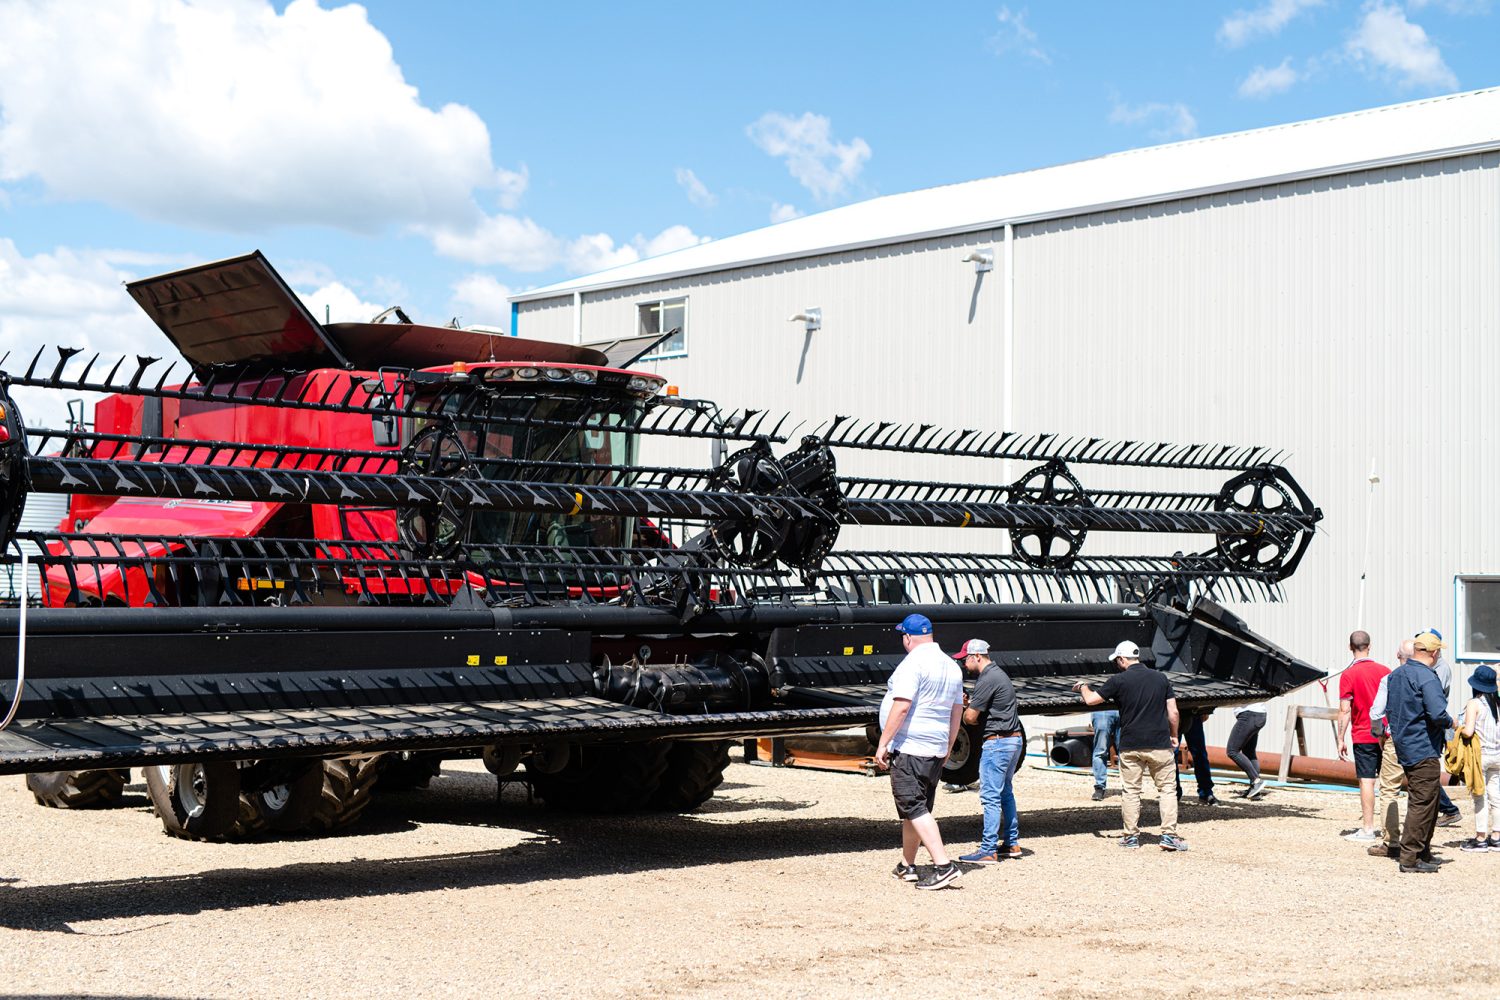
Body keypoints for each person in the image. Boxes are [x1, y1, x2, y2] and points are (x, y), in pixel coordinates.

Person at [875, 613, 965, 890]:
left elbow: (901, 706)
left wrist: (883, 743)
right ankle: (907, 865)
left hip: (911, 746)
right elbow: (956, 710)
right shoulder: (951, 666)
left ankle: (943, 866)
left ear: (907, 637)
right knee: (916, 809)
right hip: (935, 747)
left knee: (913, 806)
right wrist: (949, 745)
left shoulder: (911, 664)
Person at [1074, 640, 1187, 851]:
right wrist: (1173, 736)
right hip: (1159, 744)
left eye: (1117, 660)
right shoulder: (1161, 678)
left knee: (1131, 792)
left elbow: (1090, 700)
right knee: (1167, 790)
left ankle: (1130, 837)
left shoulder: (1118, 680)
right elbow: (1173, 712)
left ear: (1122, 659)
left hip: (1130, 745)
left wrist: (1083, 686)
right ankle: (1169, 836)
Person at [1385, 631, 1454, 873]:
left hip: (1404, 744)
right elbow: (1437, 713)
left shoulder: (1395, 675)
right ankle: (1410, 857)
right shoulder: (1427, 677)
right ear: (1434, 653)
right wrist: (1452, 723)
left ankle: (1422, 850)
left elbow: (1389, 710)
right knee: (1422, 802)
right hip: (1423, 746)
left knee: (1430, 800)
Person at [952, 639, 1025, 864]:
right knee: (1005, 792)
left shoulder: (987, 678)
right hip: (1013, 740)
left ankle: (988, 849)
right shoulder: (998, 675)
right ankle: (1012, 843)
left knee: (990, 796)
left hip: (998, 743)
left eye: (965, 659)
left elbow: (972, 718)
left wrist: (965, 709)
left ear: (977, 656)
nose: (964, 663)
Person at [1335, 630, 1389, 842]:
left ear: (1350, 647)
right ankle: (1389, 828)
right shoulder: (1385, 671)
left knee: (1367, 781)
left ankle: (1368, 828)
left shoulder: (1348, 675)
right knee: (1389, 783)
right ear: (1370, 646)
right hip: (1385, 735)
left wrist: (1340, 738)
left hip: (1363, 734)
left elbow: (1344, 709)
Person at [1366, 639, 1413, 859]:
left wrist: (1380, 737)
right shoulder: (1429, 677)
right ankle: (1417, 841)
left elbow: (1376, 713)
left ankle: (1392, 841)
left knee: (1389, 790)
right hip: (1421, 742)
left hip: (1396, 739)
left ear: (1398, 656)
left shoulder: (1390, 679)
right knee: (1421, 793)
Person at [1455, 665, 1500, 852]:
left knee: (1479, 796)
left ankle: (1480, 837)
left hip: (1479, 756)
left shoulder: (1474, 703)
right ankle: (1497, 836)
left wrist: (1458, 728)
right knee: (1496, 796)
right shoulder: (1498, 704)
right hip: (1498, 755)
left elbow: (1468, 731)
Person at [1426, 628, 1463, 827]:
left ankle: (1449, 809)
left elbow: (1433, 699)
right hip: (1432, 724)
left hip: (1434, 726)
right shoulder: (1430, 667)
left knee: (1427, 773)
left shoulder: (1440, 668)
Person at [1175, 710, 1221, 806]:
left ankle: (1206, 792)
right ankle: (1174, 792)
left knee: (1200, 753)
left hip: (1192, 713)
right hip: (1174, 713)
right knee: (1171, 756)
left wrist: (1205, 709)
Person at [1226, 701, 1269, 798]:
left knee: (1232, 751)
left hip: (1249, 715)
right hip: (1259, 714)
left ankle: (1256, 781)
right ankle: (1255, 791)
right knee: (1249, 752)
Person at [1090, 709, 1120, 801]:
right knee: (1100, 750)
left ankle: (1130, 787)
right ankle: (1100, 787)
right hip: (1102, 707)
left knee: (1127, 751)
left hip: (1125, 705)